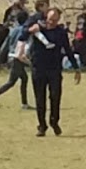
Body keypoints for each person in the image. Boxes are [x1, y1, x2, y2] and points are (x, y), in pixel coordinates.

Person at [25, 8, 81, 136]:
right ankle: (42, 126)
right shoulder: (38, 28)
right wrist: (29, 30)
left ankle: (54, 122)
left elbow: (68, 50)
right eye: (50, 19)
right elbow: (22, 35)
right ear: (46, 18)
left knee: (55, 97)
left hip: (54, 69)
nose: (52, 22)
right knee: (40, 98)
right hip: (38, 68)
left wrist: (76, 68)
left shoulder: (60, 33)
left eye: (55, 20)